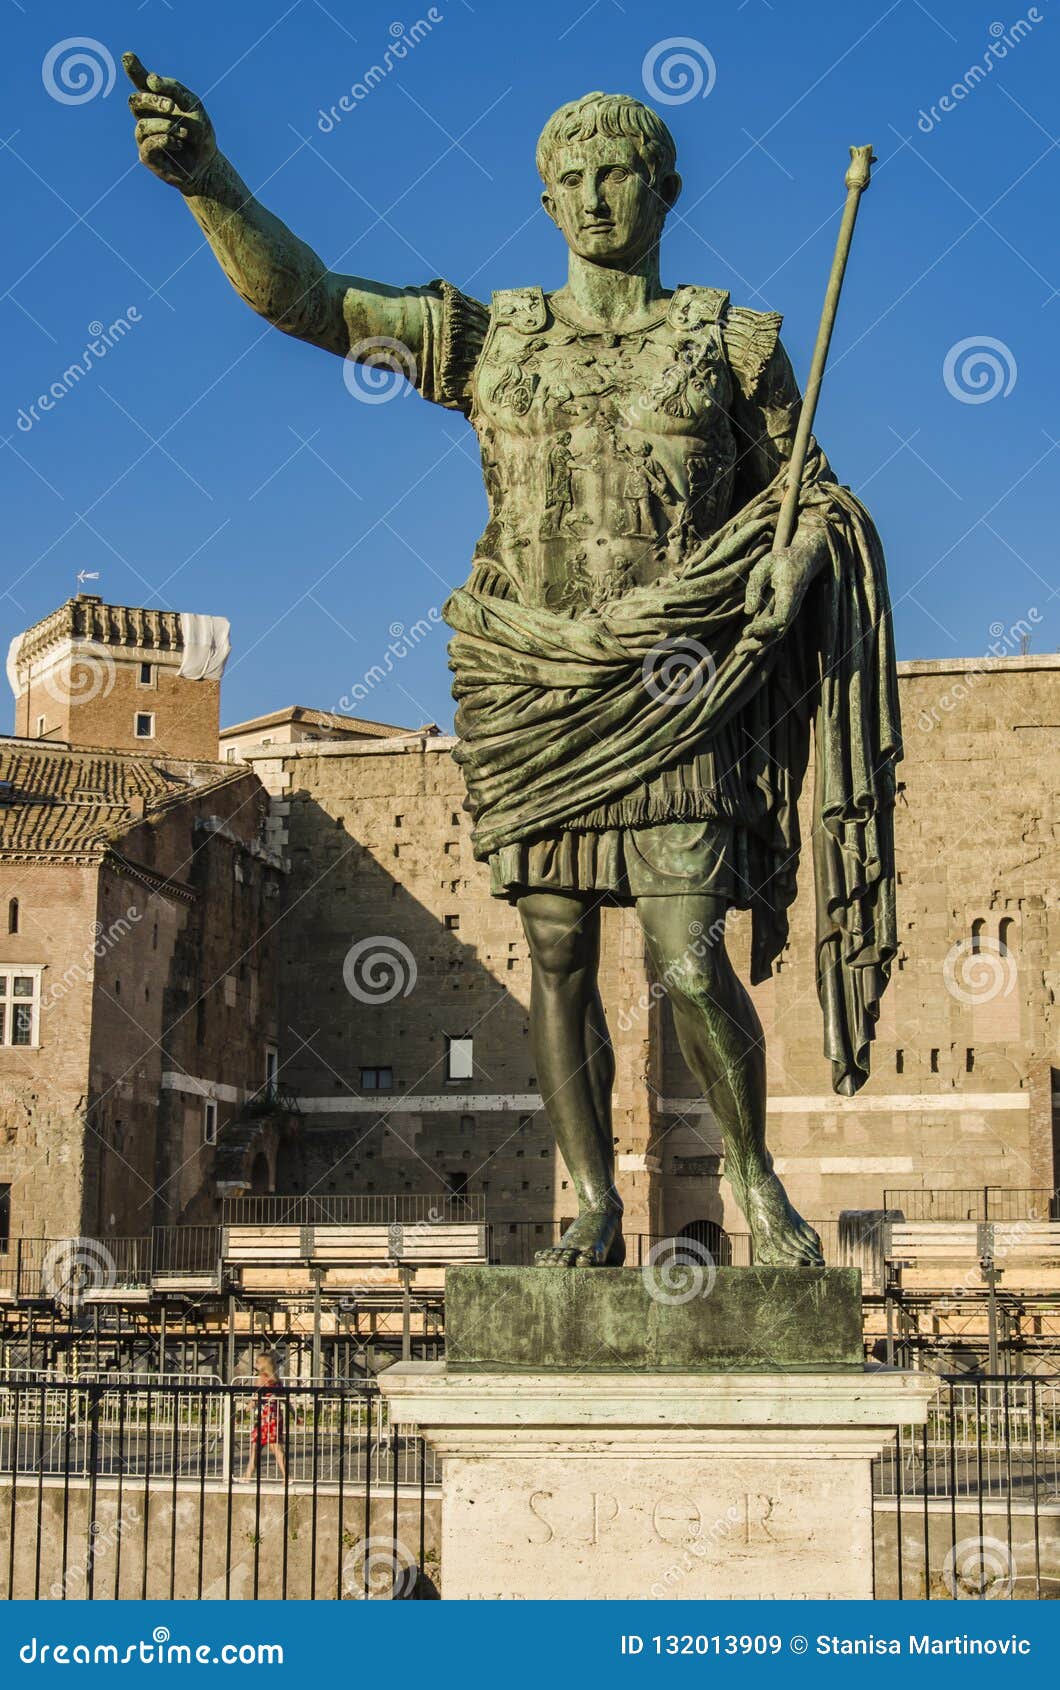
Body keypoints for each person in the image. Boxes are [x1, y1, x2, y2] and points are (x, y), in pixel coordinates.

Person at [124, 65, 899, 1271]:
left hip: (675, 685)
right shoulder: (491, 341)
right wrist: (209, 181)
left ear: (665, 189)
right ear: (546, 201)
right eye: (572, 180)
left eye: (619, 175)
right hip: (529, 683)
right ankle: (590, 1201)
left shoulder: (732, 347)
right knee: (557, 949)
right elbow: (313, 303)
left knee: (689, 951)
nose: (596, 198)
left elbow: (815, 499)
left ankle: (751, 1176)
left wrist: (797, 563)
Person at [243, 1353, 287, 1483]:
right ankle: (248, 1474)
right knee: (269, 1446)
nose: (255, 1365)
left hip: (264, 1416)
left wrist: (243, 1411)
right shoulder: (277, 1381)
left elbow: (256, 1398)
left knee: (262, 1446)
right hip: (275, 1415)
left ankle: (286, 1476)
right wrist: (295, 1415)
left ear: (262, 1364)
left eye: (257, 1362)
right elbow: (285, 1399)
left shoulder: (262, 1378)